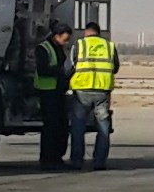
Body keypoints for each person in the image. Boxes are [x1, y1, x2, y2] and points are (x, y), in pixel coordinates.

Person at [64, 25, 117, 167]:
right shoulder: (109, 46)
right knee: (103, 127)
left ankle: (76, 161)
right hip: (102, 91)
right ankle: (99, 161)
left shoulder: (79, 45)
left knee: (78, 127)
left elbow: (70, 66)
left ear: (86, 32)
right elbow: (115, 67)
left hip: (82, 91)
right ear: (99, 33)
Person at [29, 21, 70, 165]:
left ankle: (57, 157)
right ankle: (48, 159)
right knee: (50, 128)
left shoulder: (58, 48)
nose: (65, 43)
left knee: (61, 127)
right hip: (47, 92)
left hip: (58, 92)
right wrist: (61, 72)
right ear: (56, 36)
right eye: (64, 39)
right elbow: (43, 70)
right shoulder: (43, 48)